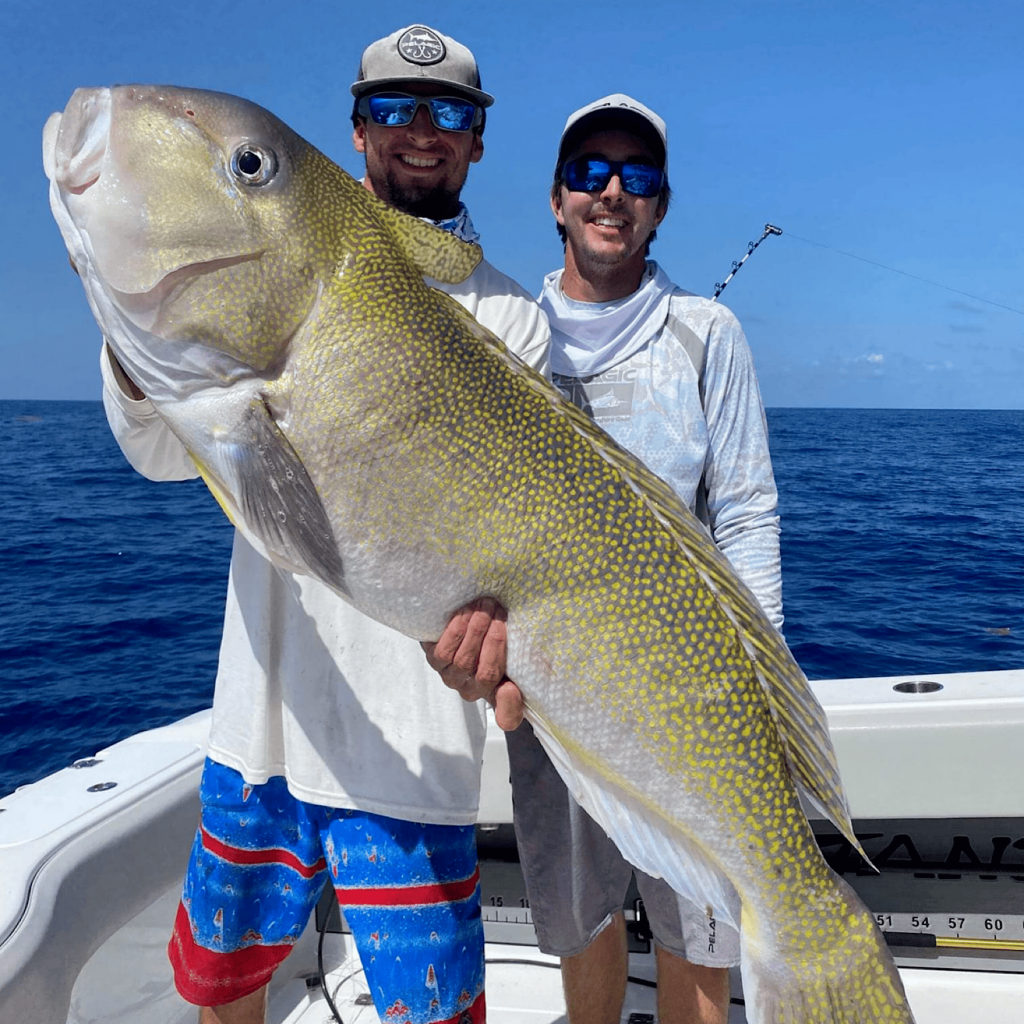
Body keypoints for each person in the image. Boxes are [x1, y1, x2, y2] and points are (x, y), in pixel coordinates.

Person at [100, 24, 549, 1024]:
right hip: (259, 725)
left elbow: (519, 549)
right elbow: (162, 455)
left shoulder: (511, 319)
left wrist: (504, 638)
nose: (420, 131)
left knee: (428, 1008)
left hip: (414, 744)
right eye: (393, 108)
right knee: (230, 990)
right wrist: (144, 338)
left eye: (448, 113)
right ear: (355, 131)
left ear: (478, 139)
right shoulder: (258, 275)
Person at [436, 94, 783, 1024]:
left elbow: (745, 513)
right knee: (580, 918)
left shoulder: (708, 335)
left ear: (661, 207)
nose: (613, 191)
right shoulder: (506, 328)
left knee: (696, 930)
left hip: (688, 691)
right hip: (554, 687)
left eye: (640, 177)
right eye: (590, 172)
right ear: (556, 199)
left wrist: (760, 687)